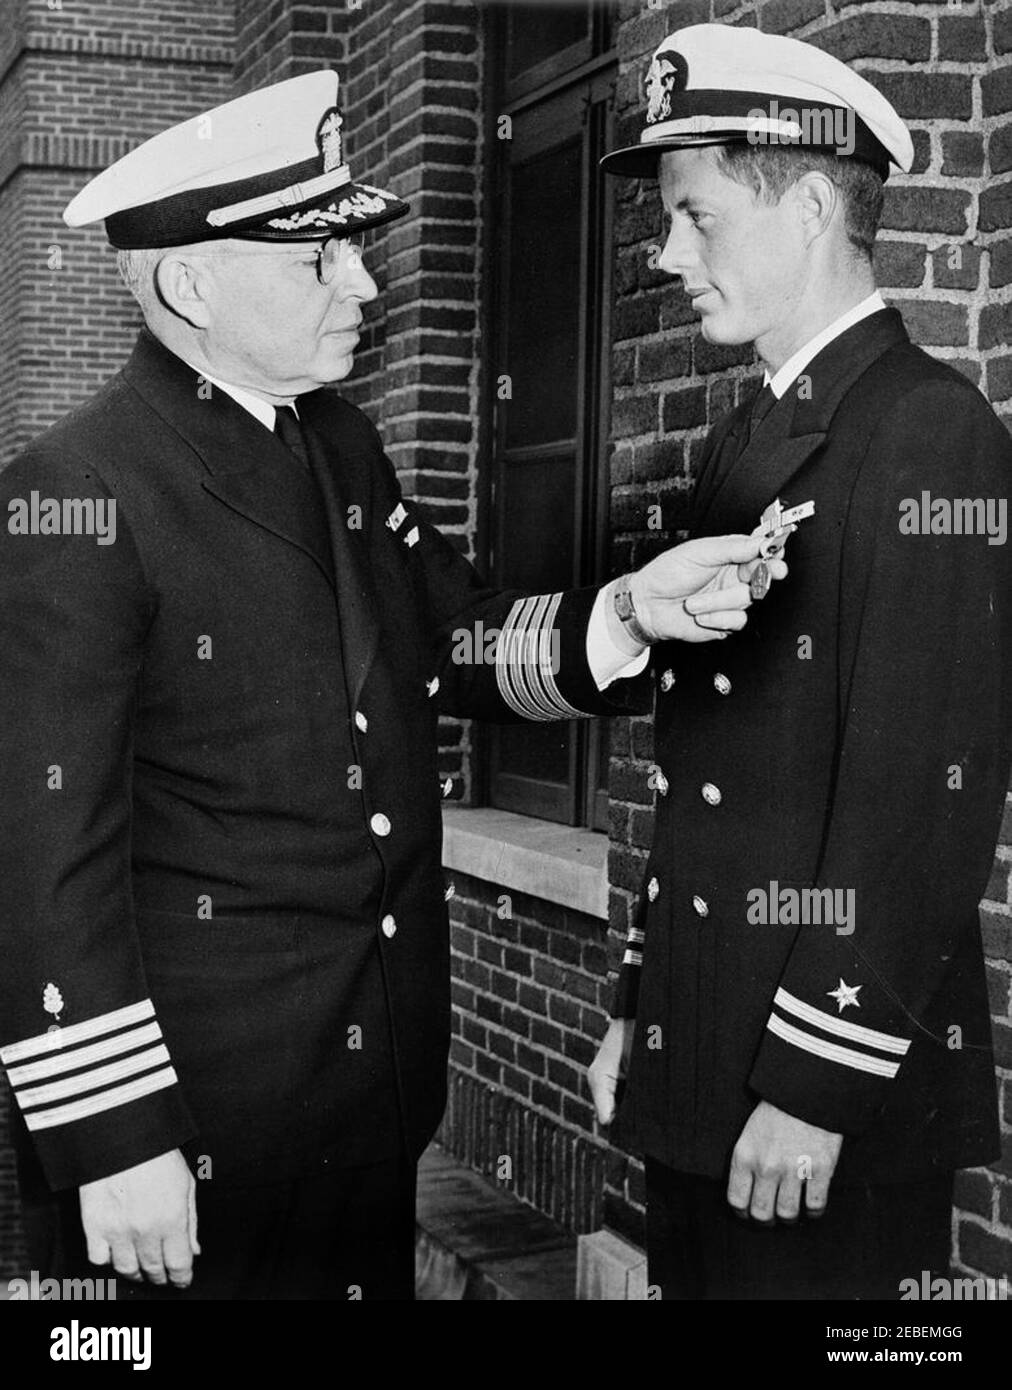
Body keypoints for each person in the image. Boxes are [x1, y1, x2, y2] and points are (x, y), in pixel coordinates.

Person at [0, 69, 778, 1301]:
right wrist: (112, 1137)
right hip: (192, 1133)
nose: (363, 282)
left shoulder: (336, 442)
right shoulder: (81, 492)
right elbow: (40, 847)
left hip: (371, 1092)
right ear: (191, 284)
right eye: (320, 261)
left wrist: (627, 614)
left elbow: (449, 646)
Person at [588, 23, 1011, 1300]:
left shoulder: (929, 433)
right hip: (709, 1055)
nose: (668, 256)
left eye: (697, 218)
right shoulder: (754, 432)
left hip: (820, 1102)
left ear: (815, 204)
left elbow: (923, 804)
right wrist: (637, 1009)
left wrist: (819, 1082)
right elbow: (703, 779)